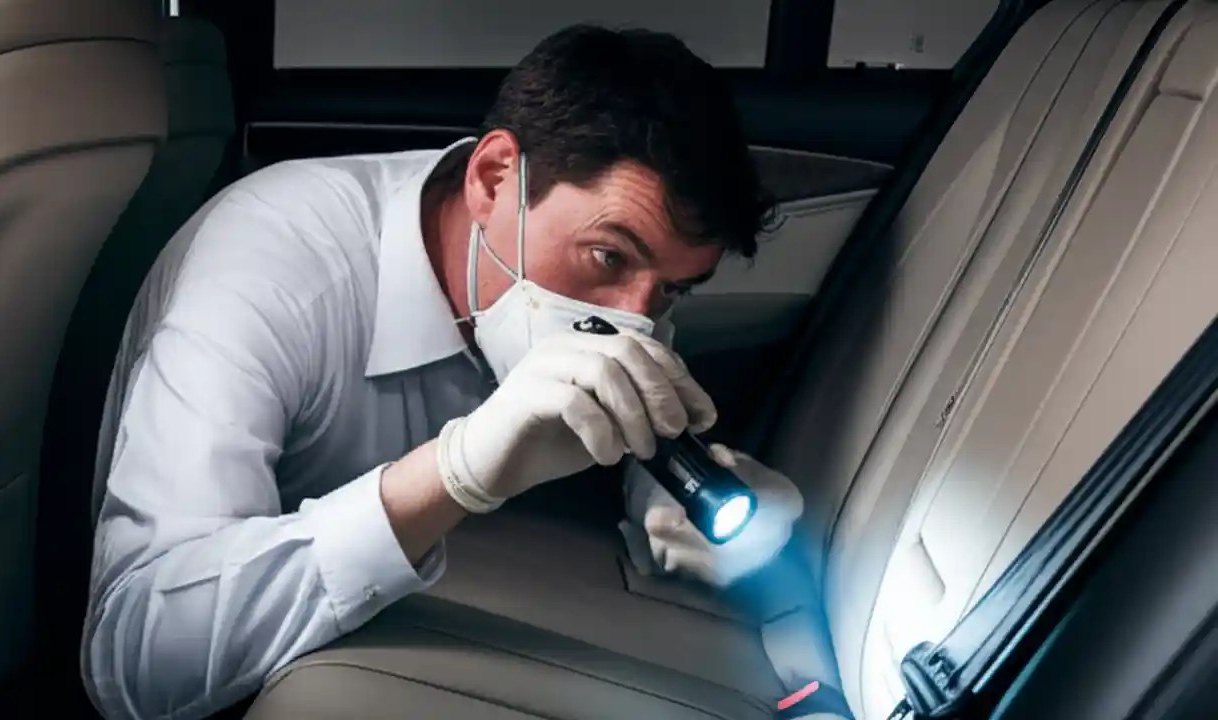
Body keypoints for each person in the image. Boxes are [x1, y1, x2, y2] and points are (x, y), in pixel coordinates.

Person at [81, 24, 804, 720]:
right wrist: (452, 474)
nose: (635, 320)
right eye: (607, 257)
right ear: (493, 179)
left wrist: (673, 495)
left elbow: (617, 414)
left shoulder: (609, 287)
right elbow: (137, 659)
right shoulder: (273, 275)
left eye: (672, 290)